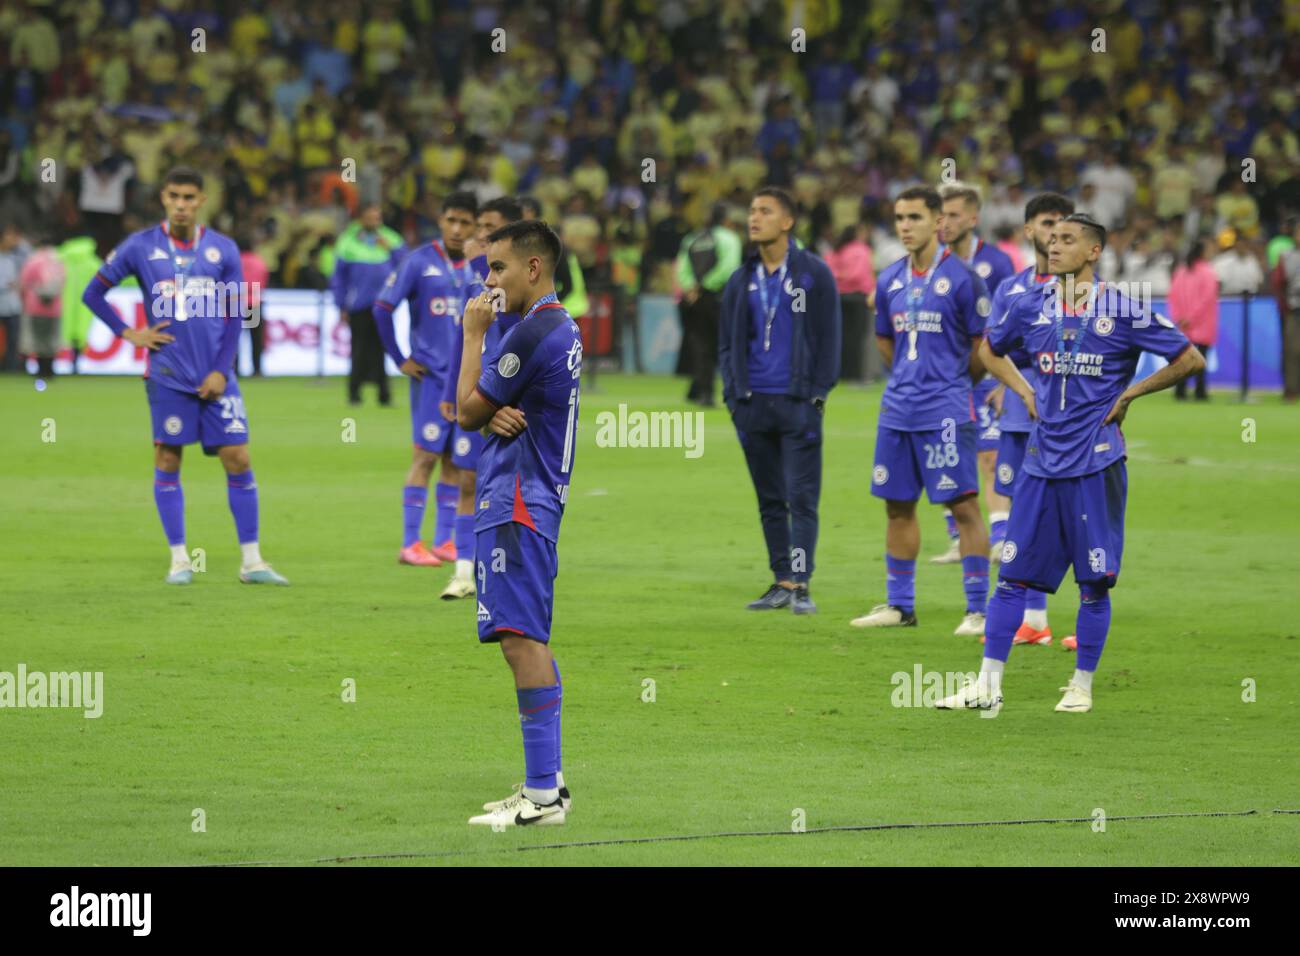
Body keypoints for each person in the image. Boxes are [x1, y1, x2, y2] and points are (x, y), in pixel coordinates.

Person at [942, 213, 1204, 714]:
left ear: (1093, 252)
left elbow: (1189, 359)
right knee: (1012, 576)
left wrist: (1131, 393)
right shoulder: (1028, 305)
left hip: (1095, 463)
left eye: (1067, 239)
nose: (1053, 245)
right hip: (1040, 465)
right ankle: (986, 685)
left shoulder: (1123, 309)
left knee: (1093, 581)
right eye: (1051, 237)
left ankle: (1081, 685)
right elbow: (989, 350)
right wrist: (1023, 390)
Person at [80, 166, 289, 586]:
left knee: (239, 458)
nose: (181, 204)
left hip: (216, 378)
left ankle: (252, 562)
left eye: (189, 197)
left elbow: (238, 315)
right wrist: (128, 333)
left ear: (201, 201)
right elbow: (92, 292)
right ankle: (179, 560)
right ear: (163, 197)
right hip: (168, 373)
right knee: (168, 458)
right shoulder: (141, 246)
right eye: (174, 196)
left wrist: (221, 370)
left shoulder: (223, 249)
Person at [455, 219, 582, 827]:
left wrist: (472, 334)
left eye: (498, 268)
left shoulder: (532, 331)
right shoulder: (554, 325)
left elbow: (464, 411)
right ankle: (548, 782)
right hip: (533, 494)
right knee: (527, 633)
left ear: (533, 268)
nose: (488, 282)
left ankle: (540, 799)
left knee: (519, 637)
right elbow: (492, 406)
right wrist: (496, 406)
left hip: (519, 498)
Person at [850, 185, 991, 636]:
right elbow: (885, 340)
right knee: (897, 506)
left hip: (947, 411)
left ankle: (978, 611)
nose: (906, 227)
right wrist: (910, 378)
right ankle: (900, 606)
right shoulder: (889, 278)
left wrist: (949, 383)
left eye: (914, 217)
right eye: (900, 219)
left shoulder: (965, 279)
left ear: (938, 222)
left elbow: (979, 348)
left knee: (964, 505)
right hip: (897, 411)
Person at [719, 186, 841, 615]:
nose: (754, 218)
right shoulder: (741, 277)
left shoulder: (813, 274)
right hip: (752, 405)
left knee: (802, 497)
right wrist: (733, 396)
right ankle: (781, 580)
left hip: (797, 403)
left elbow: (830, 338)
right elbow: (728, 344)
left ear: (787, 222)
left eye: (765, 211)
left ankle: (803, 582)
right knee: (770, 498)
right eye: (752, 210)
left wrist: (818, 394)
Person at [985, 191, 1078, 648]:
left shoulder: (1088, 292)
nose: (1054, 232)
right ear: (1028, 231)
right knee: (1021, 509)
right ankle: (1034, 618)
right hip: (1023, 415)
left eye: (1063, 224)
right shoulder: (1011, 290)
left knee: (1067, 512)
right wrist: (1011, 385)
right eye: (1046, 223)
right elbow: (995, 349)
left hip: (1068, 420)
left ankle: (1081, 609)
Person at [373, 191, 478, 569]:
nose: (457, 228)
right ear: (441, 220)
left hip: (470, 382)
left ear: (476, 226)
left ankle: (444, 540)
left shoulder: (481, 267)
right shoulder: (418, 261)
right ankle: (409, 543)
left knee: (456, 461)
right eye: (451, 220)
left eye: (465, 222)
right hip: (432, 378)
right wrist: (400, 358)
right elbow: (383, 308)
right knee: (425, 456)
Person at [437, 195, 526, 598]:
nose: (479, 235)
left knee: (512, 488)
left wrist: (478, 263)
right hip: (476, 392)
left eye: (489, 228)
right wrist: (449, 390)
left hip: (509, 394)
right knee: (468, 480)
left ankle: (506, 572)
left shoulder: (511, 281)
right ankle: (462, 572)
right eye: (481, 227)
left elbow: (513, 328)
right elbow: (464, 335)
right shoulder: (478, 280)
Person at [932, 182, 1016, 564]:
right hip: (943, 381)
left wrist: (1003, 380)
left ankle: (1000, 536)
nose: (945, 222)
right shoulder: (928, 262)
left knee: (990, 456)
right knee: (946, 456)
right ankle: (958, 536)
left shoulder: (996, 263)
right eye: (941, 215)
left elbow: (1010, 321)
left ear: (972, 218)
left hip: (986, 377)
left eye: (953, 214)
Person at [332, 204, 405, 406]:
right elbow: (338, 277)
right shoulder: (347, 241)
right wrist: (341, 304)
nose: (375, 221)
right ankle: (354, 394)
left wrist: (389, 248)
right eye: (371, 217)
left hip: (384, 305)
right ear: (361, 219)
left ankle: (384, 395)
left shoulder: (391, 239)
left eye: (378, 217)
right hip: (358, 304)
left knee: (382, 349)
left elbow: (407, 266)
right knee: (358, 350)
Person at [676, 202, 742, 405]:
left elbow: (682, 267)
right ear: (726, 219)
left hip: (694, 299)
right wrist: (705, 285)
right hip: (719, 297)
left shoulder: (693, 238)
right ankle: (717, 392)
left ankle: (699, 389)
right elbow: (729, 267)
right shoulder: (729, 238)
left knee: (700, 344)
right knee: (723, 345)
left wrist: (692, 287)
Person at [822, 222, 875, 382]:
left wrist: (839, 276)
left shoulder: (836, 250)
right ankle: (856, 375)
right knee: (858, 338)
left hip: (838, 297)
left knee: (842, 337)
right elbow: (858, 275)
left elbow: (826, 270)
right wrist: (847, 275)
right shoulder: (862, 250)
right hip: (858, 298)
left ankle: (840, 373)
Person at [1169, 236, 1220, 401]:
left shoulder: (1181, 271)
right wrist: (1192, 317)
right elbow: (1207, 298)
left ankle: (1180, 390)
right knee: (1201, 358)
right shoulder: (1208, 272)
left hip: (1183, 324)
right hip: (1202, 322)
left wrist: (1179, 317)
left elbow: (1173, 295)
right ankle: (1200, 390)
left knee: (1183, 358)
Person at [18, 235, 64, 379]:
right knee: (51, 339)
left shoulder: (33, 260)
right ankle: (50, 370)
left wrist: (25, 300)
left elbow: (24, 283)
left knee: (38, 339)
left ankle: (40, 370)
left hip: (35, 306)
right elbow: (63, 282)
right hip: (54, 308)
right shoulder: (58, 260)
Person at [1274, 219, 1300, 400]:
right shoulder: (1287, 256)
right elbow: (1278, 282)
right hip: (1293, 308)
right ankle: (1291, 390)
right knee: (1291, 351)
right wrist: (1284, 305)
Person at [0, 222, 31, 372]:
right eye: (9, 235)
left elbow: (28, 252)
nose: (13, 239)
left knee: (14, 341)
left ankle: (11, 371)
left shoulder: (15, 257)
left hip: (13, 307)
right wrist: (7, 285)